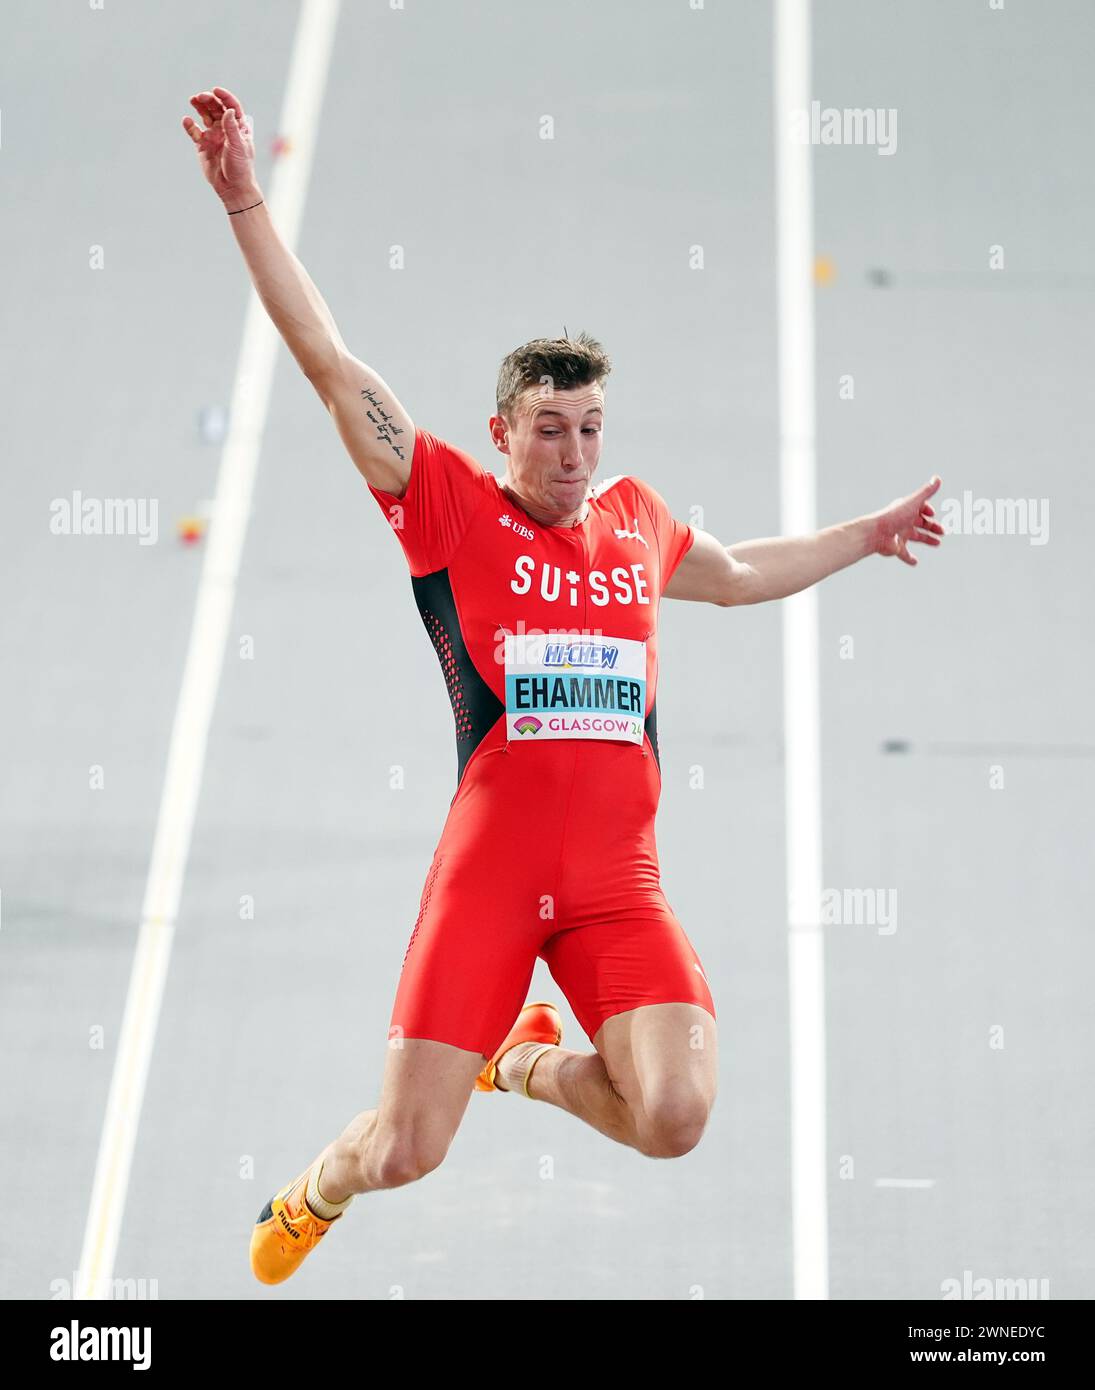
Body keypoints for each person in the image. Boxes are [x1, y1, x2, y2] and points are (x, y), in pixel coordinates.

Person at [183, 86, 944, 1286]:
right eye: (550, 428)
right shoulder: (441, 503)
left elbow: (740, 572)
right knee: (403, 1153)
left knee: (676, 1116)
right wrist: (243, 195)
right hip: (488, 881)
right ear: (500, 431)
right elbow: (327, 363)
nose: (576, 454)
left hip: (615, 889)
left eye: (591, 428)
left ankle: (528, 1061)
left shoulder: (635, 521)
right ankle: (317, 1186)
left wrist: (870, 530)